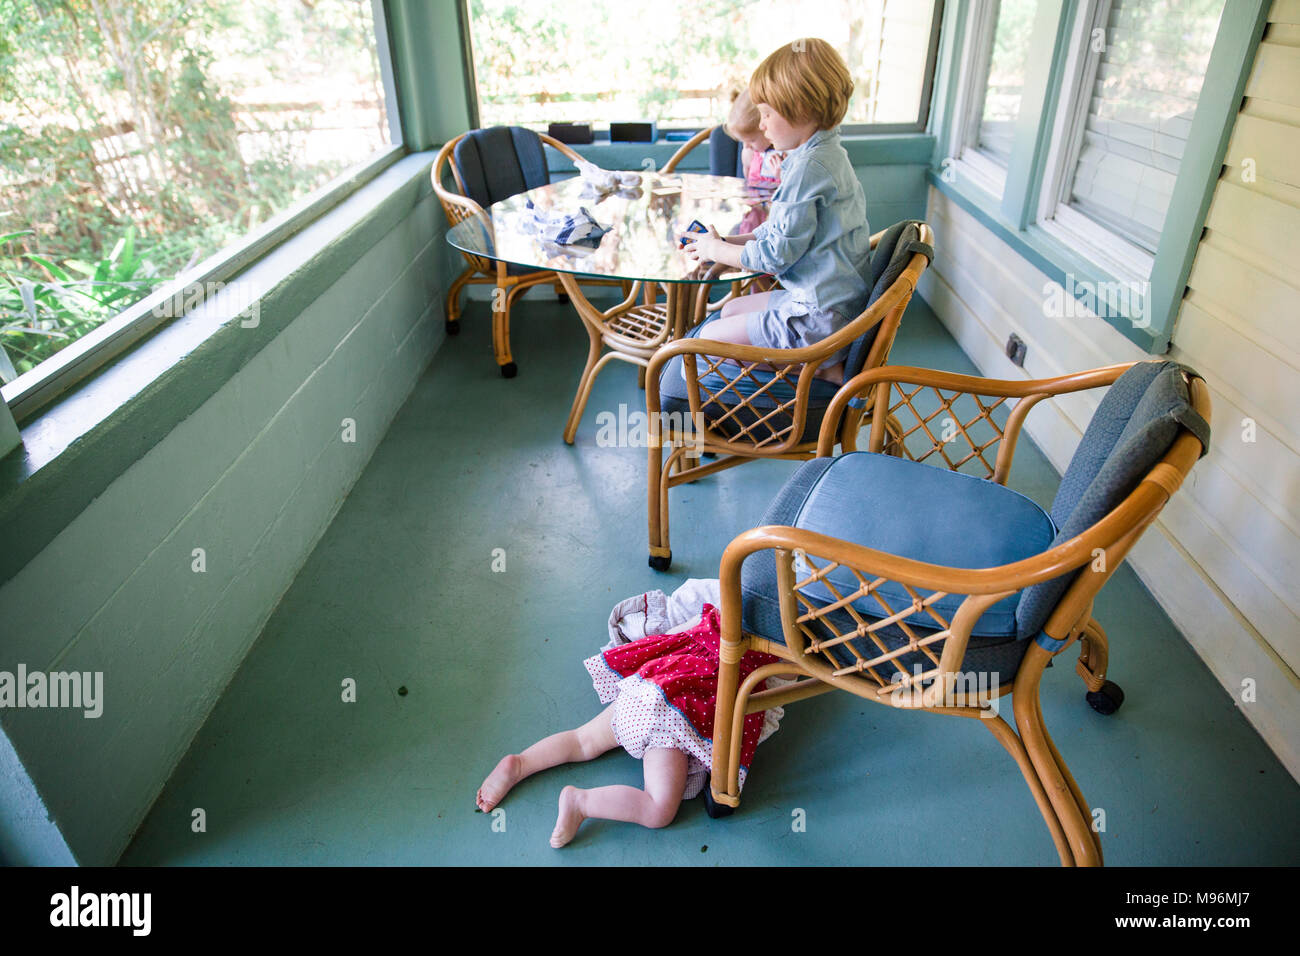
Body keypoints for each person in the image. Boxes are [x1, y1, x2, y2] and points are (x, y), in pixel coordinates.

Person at [475, 589, 785, 848]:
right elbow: (749, 715)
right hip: (670, 723)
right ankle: (581, 803)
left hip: (643, 690)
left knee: (580, 740)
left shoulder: (708, 619)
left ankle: (520, 763)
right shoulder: (759, 663)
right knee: (659, 809)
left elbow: (667, 639)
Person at [683, 39, 872, 383]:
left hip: (817, 319)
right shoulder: (822, 154)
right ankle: (827, 370)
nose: (763, 125)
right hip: (830, 306)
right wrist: (726, 242)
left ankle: (811, 370)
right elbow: (778, 232)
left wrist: (717, 250)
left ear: (800, 108)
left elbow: (775, 256)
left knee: (705, 342)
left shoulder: (808, 169)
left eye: (767, 113)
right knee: (728, 308)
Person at [725, 88, 786, 190]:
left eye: (751, 140)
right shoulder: (750, 153)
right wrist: (746, 164)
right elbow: (748, 180)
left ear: (766, 128)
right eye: (743, 141)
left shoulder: (785, 152)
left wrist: (782, 176)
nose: (746, 146)